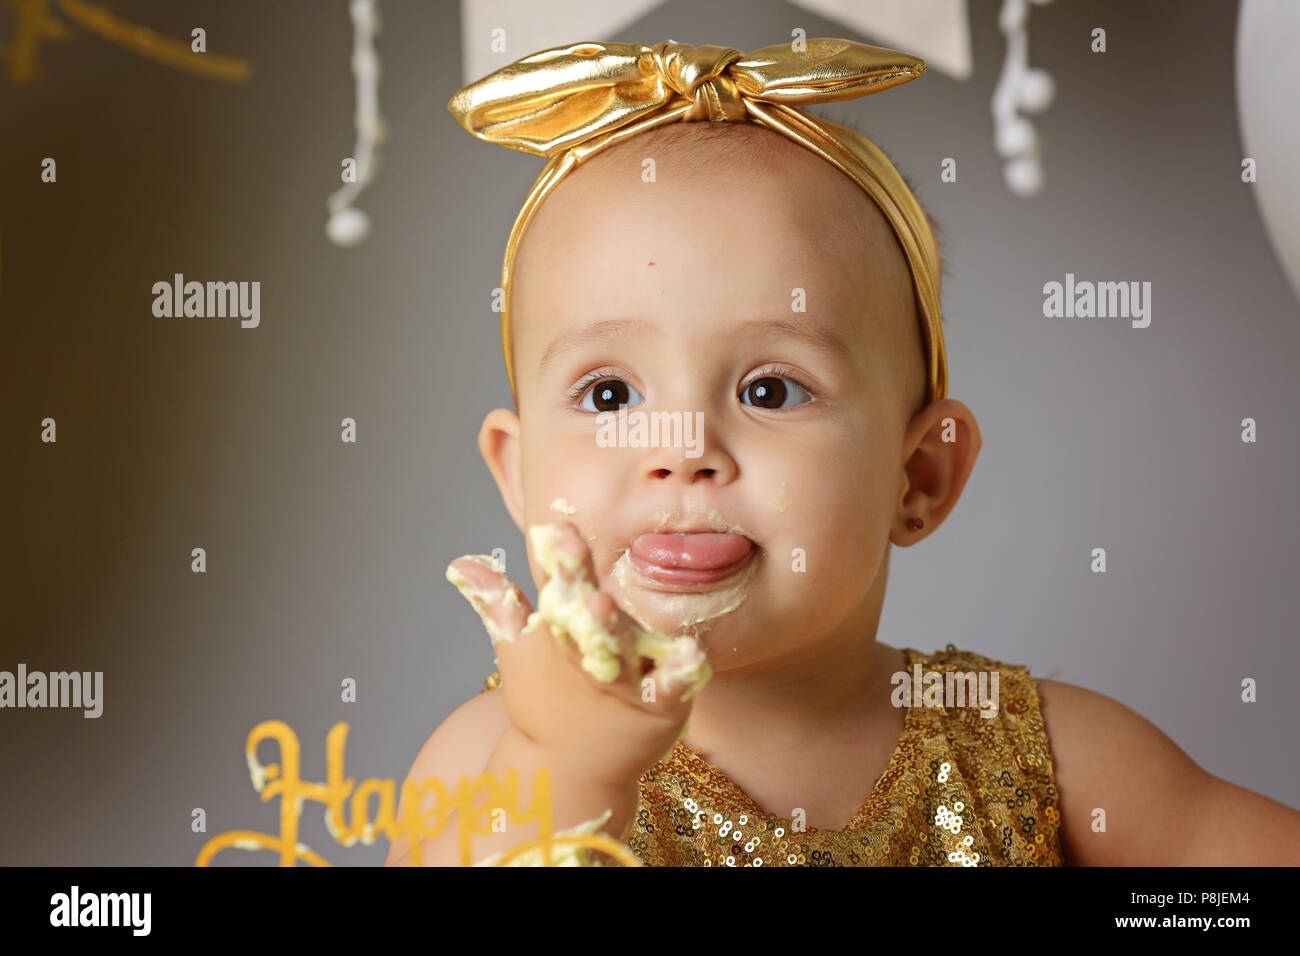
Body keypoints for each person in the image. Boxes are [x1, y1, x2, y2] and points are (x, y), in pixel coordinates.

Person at [386, 38, 1300, 866]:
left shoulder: (1040, 754)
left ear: (920, 476)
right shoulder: (486, 762)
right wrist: (565, 774)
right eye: (611, 395)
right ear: (517, 470)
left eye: (769, 390)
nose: (682, 449)